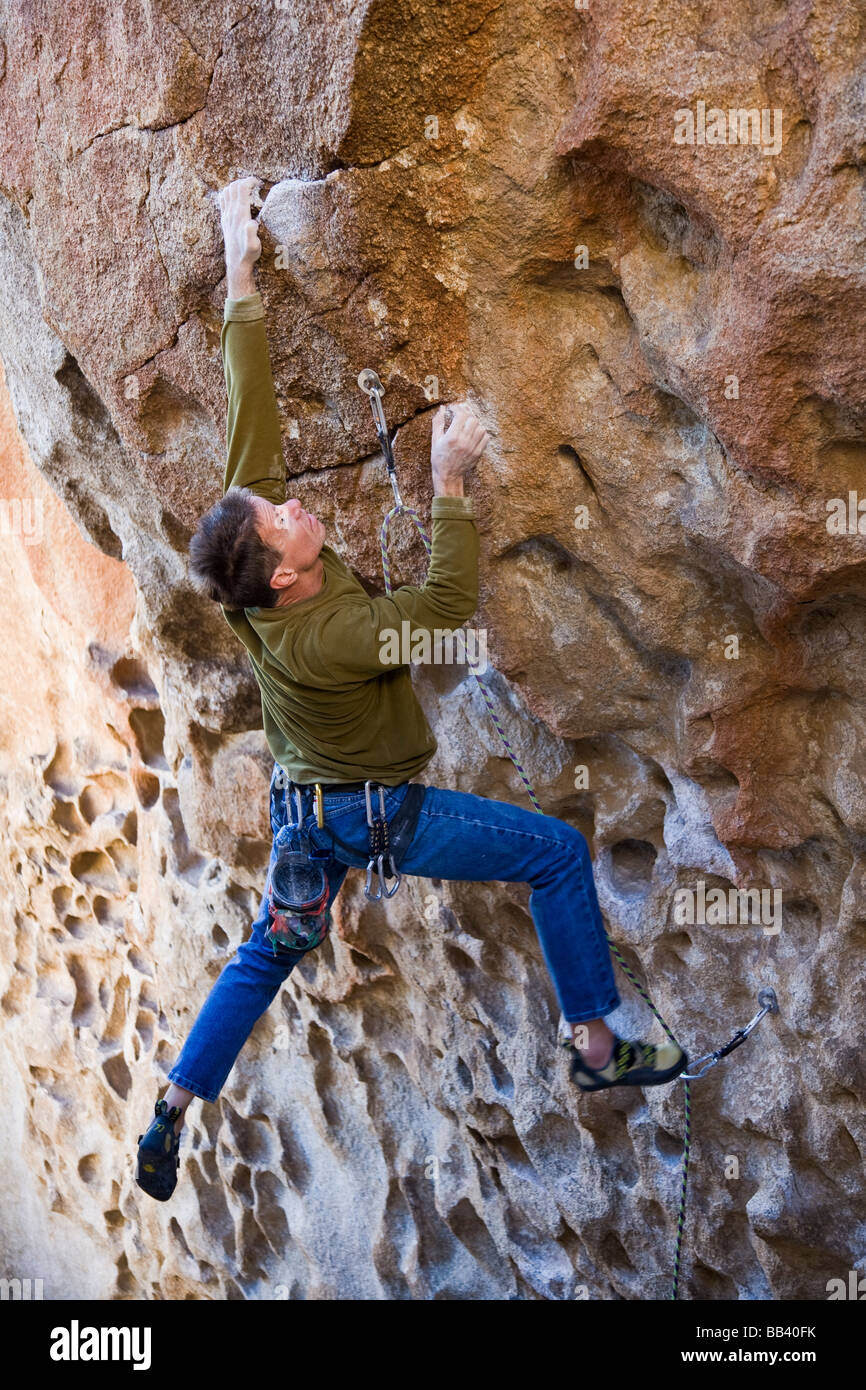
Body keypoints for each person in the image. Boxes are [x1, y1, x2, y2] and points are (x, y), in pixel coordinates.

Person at [135, 177, 687, 1202]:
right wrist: (447, 485)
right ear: (289, 574)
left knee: (267, 953)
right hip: (371, 812)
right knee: (555, 854)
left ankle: (174, 1100)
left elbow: (246, 401)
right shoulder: (332, 629)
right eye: (284, 518)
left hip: (301, 812)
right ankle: (598, 1046)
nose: (292, 503)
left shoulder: (247, 578)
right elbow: (437, 607)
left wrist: (239, 255)